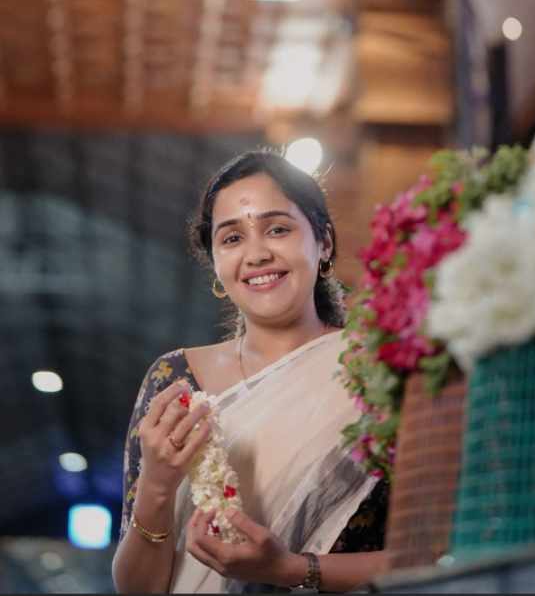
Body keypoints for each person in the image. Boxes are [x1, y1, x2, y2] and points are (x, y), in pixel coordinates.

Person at [112, 149, 388, 594]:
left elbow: (432, 552)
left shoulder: (379, 371)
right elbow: (136, 590)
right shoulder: (177, 379)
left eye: (277, 229)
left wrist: (294, 569)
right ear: (217, 264)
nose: (256, 254)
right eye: (232, 238)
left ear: (324, 243)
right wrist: (158, 489)